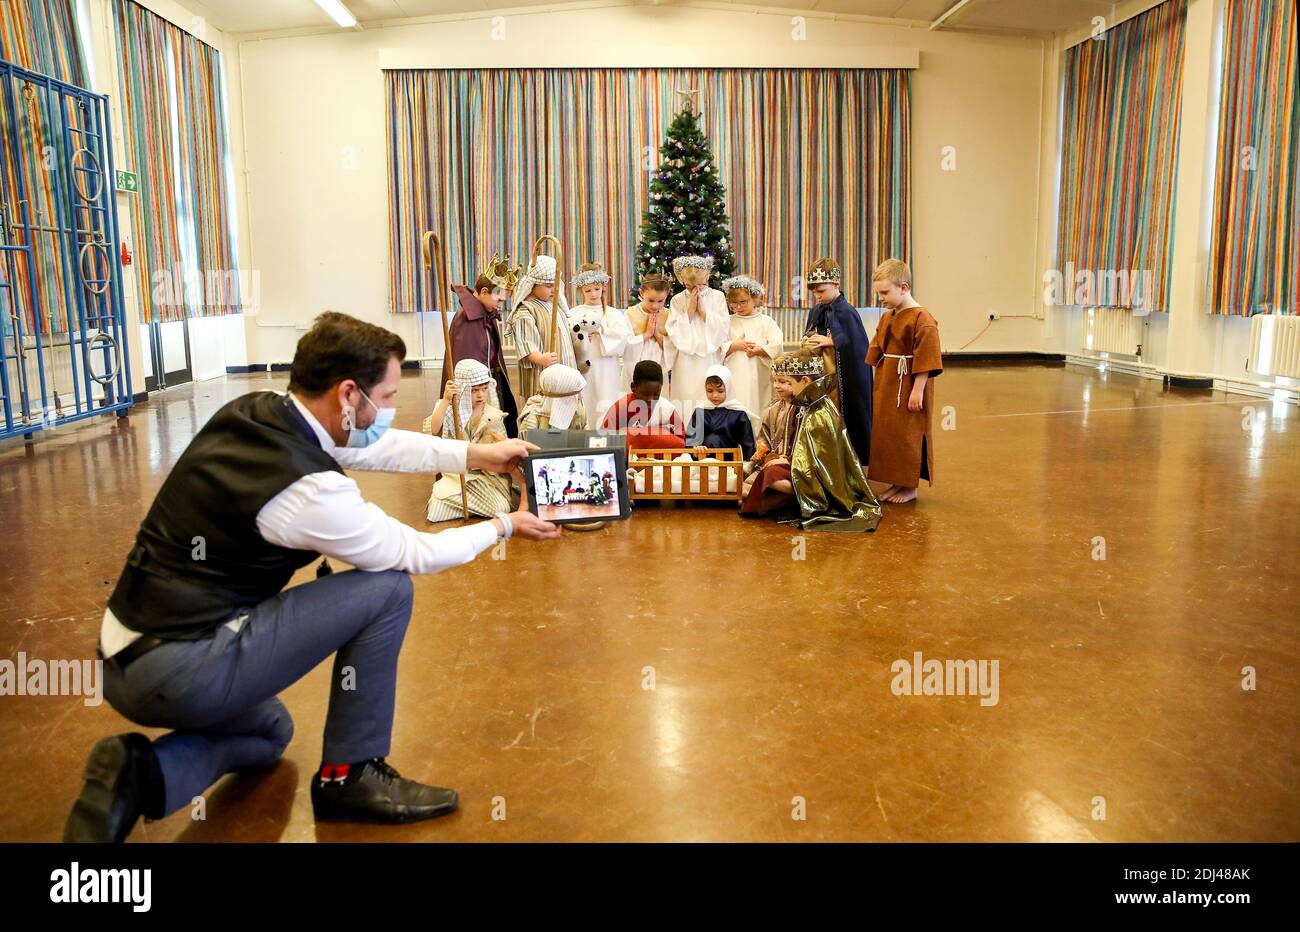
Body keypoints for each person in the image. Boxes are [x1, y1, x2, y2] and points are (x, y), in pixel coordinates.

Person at [63, 312, 560, 843]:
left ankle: (139, 774)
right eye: (388, 397)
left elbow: (379, 447)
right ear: (349, 394)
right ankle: (351, 775)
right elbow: (416, 553)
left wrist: (479, 454)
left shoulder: (257, 412)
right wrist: (503, 524)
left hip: (126, 651)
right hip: (179, 668)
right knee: (387, 588)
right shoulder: (306, 489)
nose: (392, 410)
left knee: (271, 733)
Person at [777, 351, 882, 532]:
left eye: (790, 383)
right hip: (807, 473)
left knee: (769, 476)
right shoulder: (816, 404)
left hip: (822, 490)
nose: (789, 389)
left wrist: (789, 464)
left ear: (805, 381)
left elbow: (816, 466)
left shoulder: (818, 414)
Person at [866, 258, 943, 505]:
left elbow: (927, 357)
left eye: (885, 292)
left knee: (908, 433)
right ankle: (897, 481)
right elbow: (877, 346)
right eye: (879, 293)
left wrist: (917, 390)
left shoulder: (923, 318)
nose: (881, 298)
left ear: (903, 287)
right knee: (890, 432)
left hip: (909, 384)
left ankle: (910, 486)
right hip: (888, 381)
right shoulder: (889, 316)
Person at [802, 257, 874, 467]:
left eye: (822, 291)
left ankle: (851, 460)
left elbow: (858, 346)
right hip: (824, 374)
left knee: (847, 414)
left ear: (836, 285)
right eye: (815, 292)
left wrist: (833, 342)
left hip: (845, 377)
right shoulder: (817, 310)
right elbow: (810, 333)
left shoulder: (847, 311)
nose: (818, 296)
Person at [425, 359, 516, 522]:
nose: (480, 395)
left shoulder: (493, 415)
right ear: (462, 389)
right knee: (434, 512)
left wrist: (501, 447)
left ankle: (462, 505)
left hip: (486, 479)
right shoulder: (451, 411)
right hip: (457, 477)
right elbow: (433, 429)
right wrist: (446, 399)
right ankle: (466, 504)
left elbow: (501, 456)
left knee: (501, 508)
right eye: (474, 390)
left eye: (484, 389)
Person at [441, 256, 520, 437]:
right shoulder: (467, 320)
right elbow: (465, 365)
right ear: (484, 291)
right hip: (477, 390)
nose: (500, 305)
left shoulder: (484, 314)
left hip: (489, 381)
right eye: (499, 300)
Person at [665, 255, 730, 420]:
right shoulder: (678, 300)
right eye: (689, 286)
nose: (695, 290)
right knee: (686, 393)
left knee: (707, 391)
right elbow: (672, 329)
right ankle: (685, 430)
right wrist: (689, 312)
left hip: (709, 356)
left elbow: (723, 327)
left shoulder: (717, 297)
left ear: (707, 277)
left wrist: (703, 312)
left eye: (700, 285)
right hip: (685, 358)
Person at [508, 254, 580, 403]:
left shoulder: (556, 307)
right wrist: (541, 358)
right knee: (542, 411)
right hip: (541, 373)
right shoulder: (526, 310)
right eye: (548, 286)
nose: (553, 289)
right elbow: (525, 344)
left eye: (555, 285)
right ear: (533, 285)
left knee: (565, 406)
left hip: (564, 371)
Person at [720, 275, 785, 427]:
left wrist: (759, 350)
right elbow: (717, 346)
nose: (738, 307)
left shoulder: (765, 322)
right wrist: (734, 346)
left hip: (758, 373)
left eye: (743, 302)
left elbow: (777, 345)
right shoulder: (728, 322)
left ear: (755, 298)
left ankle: (758, 442)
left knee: (758, 405)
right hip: (734, 372)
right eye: (734, 304)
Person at [572, 262, 632, 425]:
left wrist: (601, 333)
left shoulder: (613, 314)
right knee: (586, 402)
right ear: (581, 291)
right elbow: (569, 338)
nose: (593, 294)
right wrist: (582, 335)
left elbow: (622, 338)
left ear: (603, 288)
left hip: (606, 367)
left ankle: (606, 437)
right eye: (588, 291)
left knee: (606, 401)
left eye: (597, 289)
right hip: (583, 369)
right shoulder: (573, 313)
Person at [600, 360, 686, 450]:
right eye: (645, 394)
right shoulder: (620, 408)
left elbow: (680, 443)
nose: (651, 399)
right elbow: (605, 441)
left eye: (656, 394)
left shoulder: (667, 409)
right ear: (633, 387)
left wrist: (650, 435)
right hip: (627, 462)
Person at [686, 364, 756, 460]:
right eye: (710, 391)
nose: (715, 395)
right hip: (702, 463)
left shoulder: (739, 413)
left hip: (730, 465)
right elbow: (690, 441)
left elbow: (747, 445)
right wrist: (695, 449)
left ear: (728, 388)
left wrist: (746, 467)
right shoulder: (700, 412)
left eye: (720, 391)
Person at [624, 270, 676, 380]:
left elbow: (674, 346)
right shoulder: (631, 313)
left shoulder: (669, 315)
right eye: (651, 300)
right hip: (635, 367)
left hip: (659, 367)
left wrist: (657, 334)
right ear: (641, 293)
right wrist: (647, 334)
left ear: (667, 294)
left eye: (660, 301)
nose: (655, 306)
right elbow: (625, 344)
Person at [517, 363, 587, 432]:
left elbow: (586, 435)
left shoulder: (578, 411)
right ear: (560, 399)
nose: (581, 397)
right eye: (577, 393)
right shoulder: (532, 420)